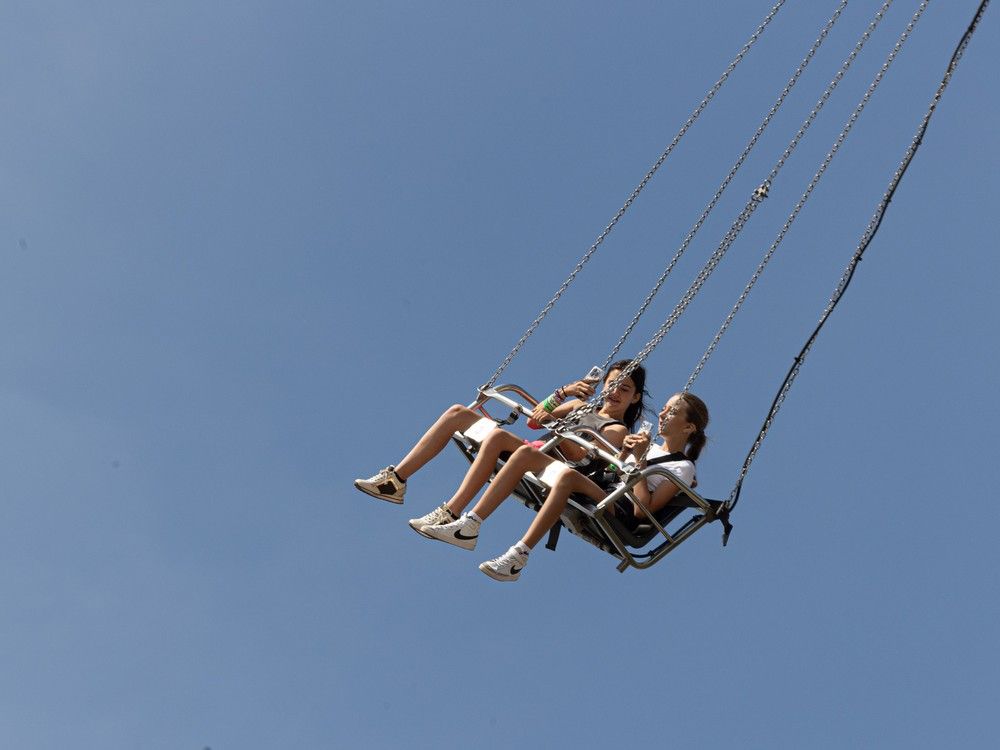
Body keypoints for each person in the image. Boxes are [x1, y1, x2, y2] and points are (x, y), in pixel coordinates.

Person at [424, 391, 708, 582]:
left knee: (566, 478)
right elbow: (612, 470)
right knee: (525, 454)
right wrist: (626, 455)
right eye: (665, 409)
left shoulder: (682, 468)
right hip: (605, 489)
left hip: (620, 507)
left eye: (672, 412)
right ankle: (470, 524)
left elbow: (642, 511)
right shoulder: (647, 444)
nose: (663, 414)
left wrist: (640, 461)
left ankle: (518, 557)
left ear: (688, 427)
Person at [353, 361, 648, 536]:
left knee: (496, 439)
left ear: (635, 398)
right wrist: (564, 393)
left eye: (625, 389)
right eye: (612, 384)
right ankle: (396, 480)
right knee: (457, 412)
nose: (615, 392)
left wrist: (567, 432)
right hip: (535, 451)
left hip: (552, 468)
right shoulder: (579, 405)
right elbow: (536, 421)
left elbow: (583, 459)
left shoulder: (617, 430)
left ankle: (451, 512)